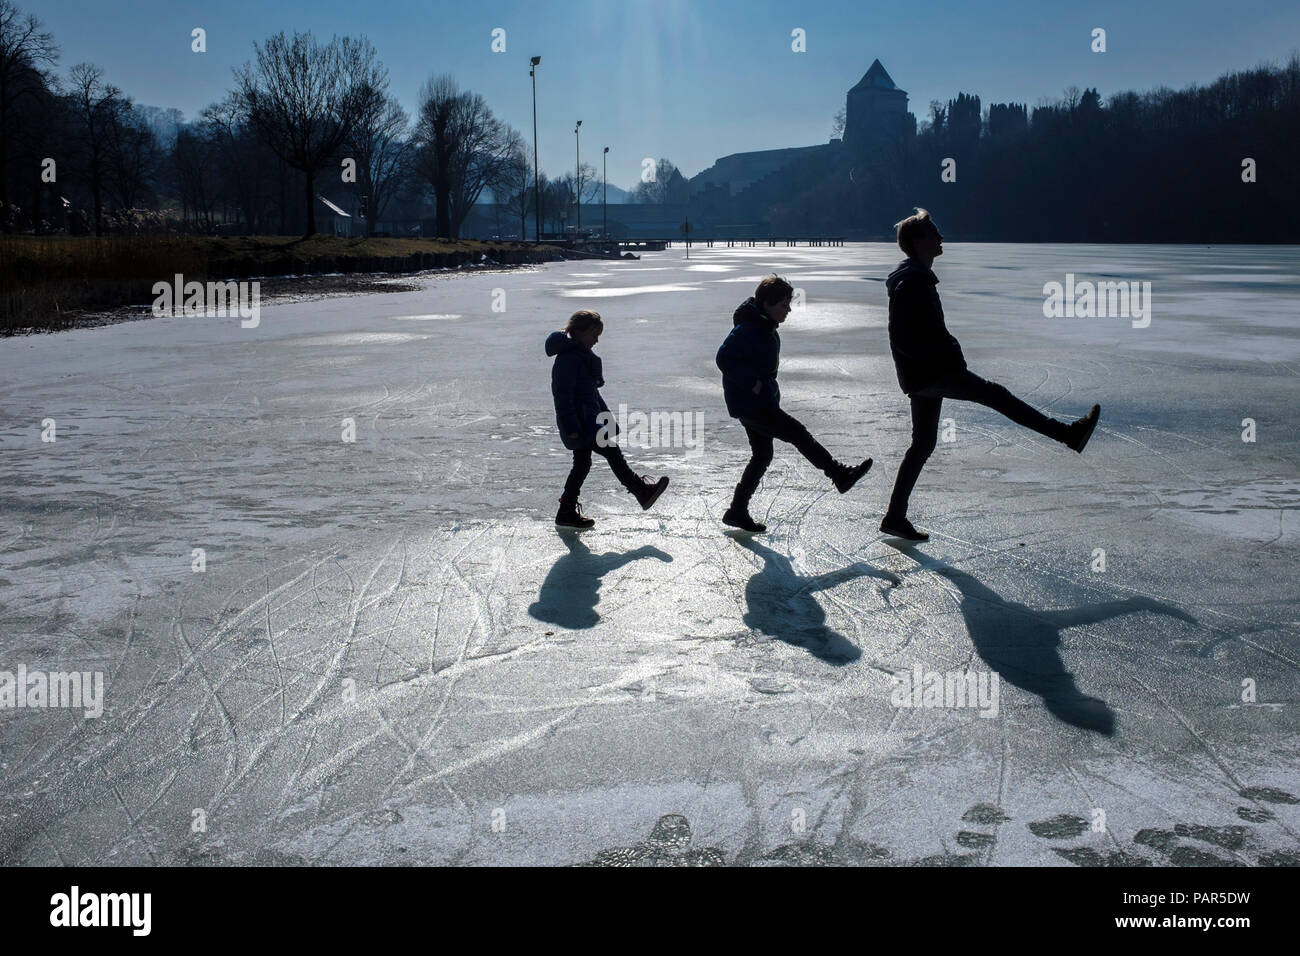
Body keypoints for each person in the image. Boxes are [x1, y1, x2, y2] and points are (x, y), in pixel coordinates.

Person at [880, 209, 1100, 542]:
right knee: (996, 395)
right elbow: (904, 336)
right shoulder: (912, 282)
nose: (941, 237)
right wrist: (946, 357)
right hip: (932, 373)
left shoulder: (913, 277)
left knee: (922, 445)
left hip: (922, 375)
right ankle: (1068, 435)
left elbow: (914, 334)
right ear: (917, 241)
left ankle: (895, 517)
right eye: (934, 232)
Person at [716, 275, 873, 533]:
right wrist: (753, 383)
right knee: (798, 434)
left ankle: (737, 511)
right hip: (753, 404)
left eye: (789, 304)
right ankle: (839, 474)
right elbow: (723, 358)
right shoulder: (748, 329)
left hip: (757, 402)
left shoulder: (763, 325)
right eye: (783, 305)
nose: (788, 310)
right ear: (766, 304)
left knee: (762, 455)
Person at [546, 309, 668, 528]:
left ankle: (565, 512)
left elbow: (593, 395)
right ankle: (641, 492)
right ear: (579, 332)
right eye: (593, 335)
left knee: (582, 465)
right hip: (581, 424)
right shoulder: (568, 360)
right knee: (611, 451)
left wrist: (608, 420)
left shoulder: (580, 358)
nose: (596, 340)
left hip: (589, 421)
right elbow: (562, 396)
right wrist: (571, 426)